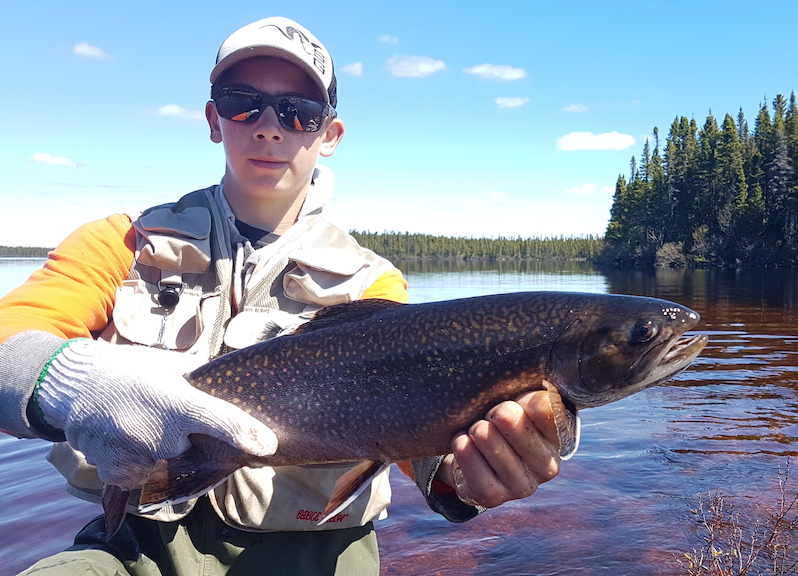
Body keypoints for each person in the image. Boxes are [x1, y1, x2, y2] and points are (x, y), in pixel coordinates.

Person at [0, 17, 561, 575]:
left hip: (317, 555)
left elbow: (420, 449)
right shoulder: (119, 243)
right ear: (214, 120)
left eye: (299, 113)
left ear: (329, 136)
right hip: (131, 548)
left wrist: (466, 479)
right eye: (243, 103)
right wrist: (73, 384)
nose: (270, 127)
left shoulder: (373, 286)